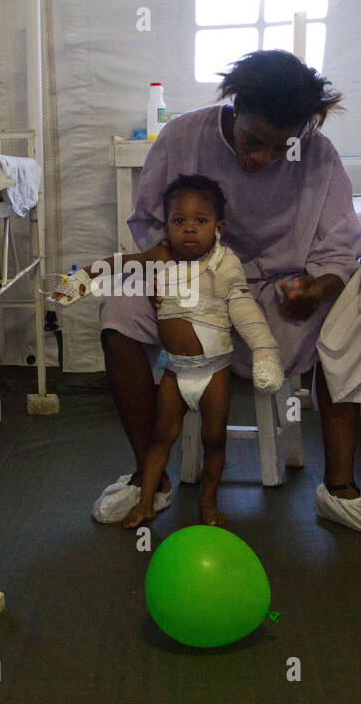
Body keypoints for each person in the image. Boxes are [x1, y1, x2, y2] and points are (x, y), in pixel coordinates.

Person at [96, 49, 361, 536]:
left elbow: (340, 253)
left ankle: (340, 488)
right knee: (119, 309)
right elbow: (151, 225)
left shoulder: (317, 155)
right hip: (191, 285)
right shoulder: (182, 138)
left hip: (274, 300)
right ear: (234, 106)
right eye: (254, 141)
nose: (262, 158)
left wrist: (314, 290)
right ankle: (147, 480)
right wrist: (169, 274)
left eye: (281, 148)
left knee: (351, 307)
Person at [55, 174, 284, 527]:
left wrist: (264, 351)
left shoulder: (225, 264)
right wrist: (80, 281)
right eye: (180, 221)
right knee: (161, 438)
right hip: (176, 371)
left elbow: (244, 309)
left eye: (201, 221)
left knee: (214, 440)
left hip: (214, 371)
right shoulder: (161, 256)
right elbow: (118, 263)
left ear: (218, 226)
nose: (190, 230)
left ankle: (208, 504)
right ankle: (147, 501)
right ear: (166, 225)